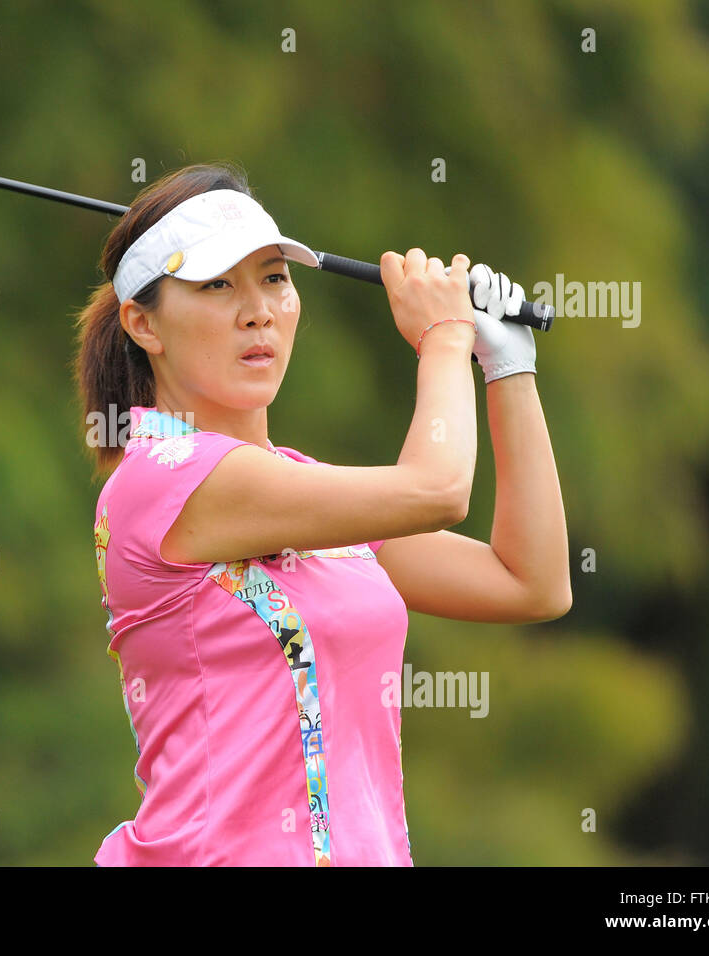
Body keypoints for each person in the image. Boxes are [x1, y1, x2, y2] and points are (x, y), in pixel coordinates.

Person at [72, 163, 570, 866]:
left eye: (274, 277)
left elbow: (531, 581)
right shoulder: (161, 478)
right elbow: (437, 488)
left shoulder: (302, 493)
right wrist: (447, 338)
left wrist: (508, 367)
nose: (258, 310)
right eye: (218, 284)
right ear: (142, 323)